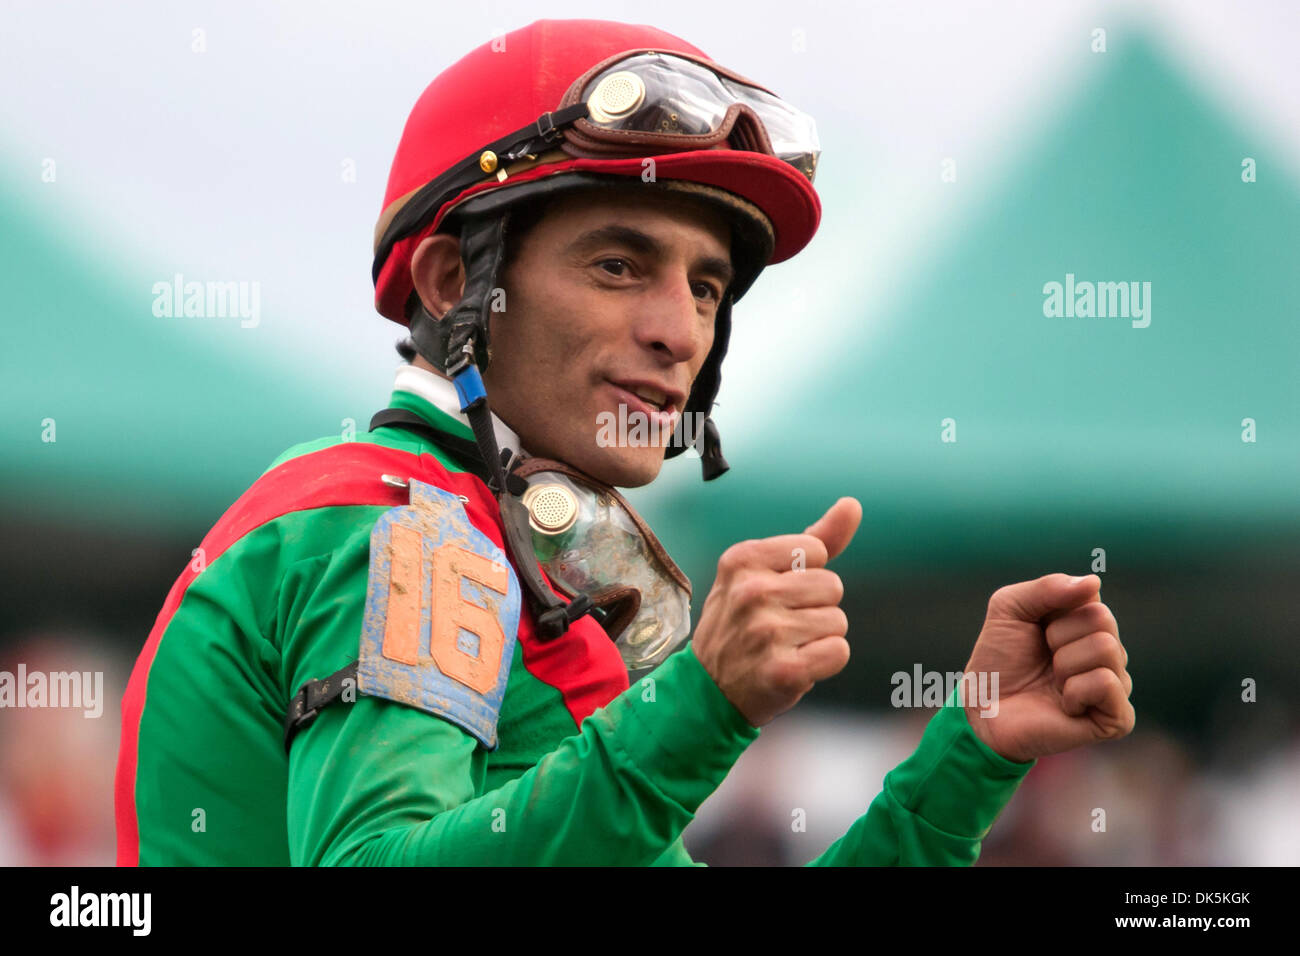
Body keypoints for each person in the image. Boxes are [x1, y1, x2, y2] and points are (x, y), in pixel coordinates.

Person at [114, 18, 1135, 866]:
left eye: (704, 286)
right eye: (616, 264)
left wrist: (970, 752)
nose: (679, 329)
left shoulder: (513, 555)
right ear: (447, 284)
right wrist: (703, 702)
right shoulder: (411, 525)